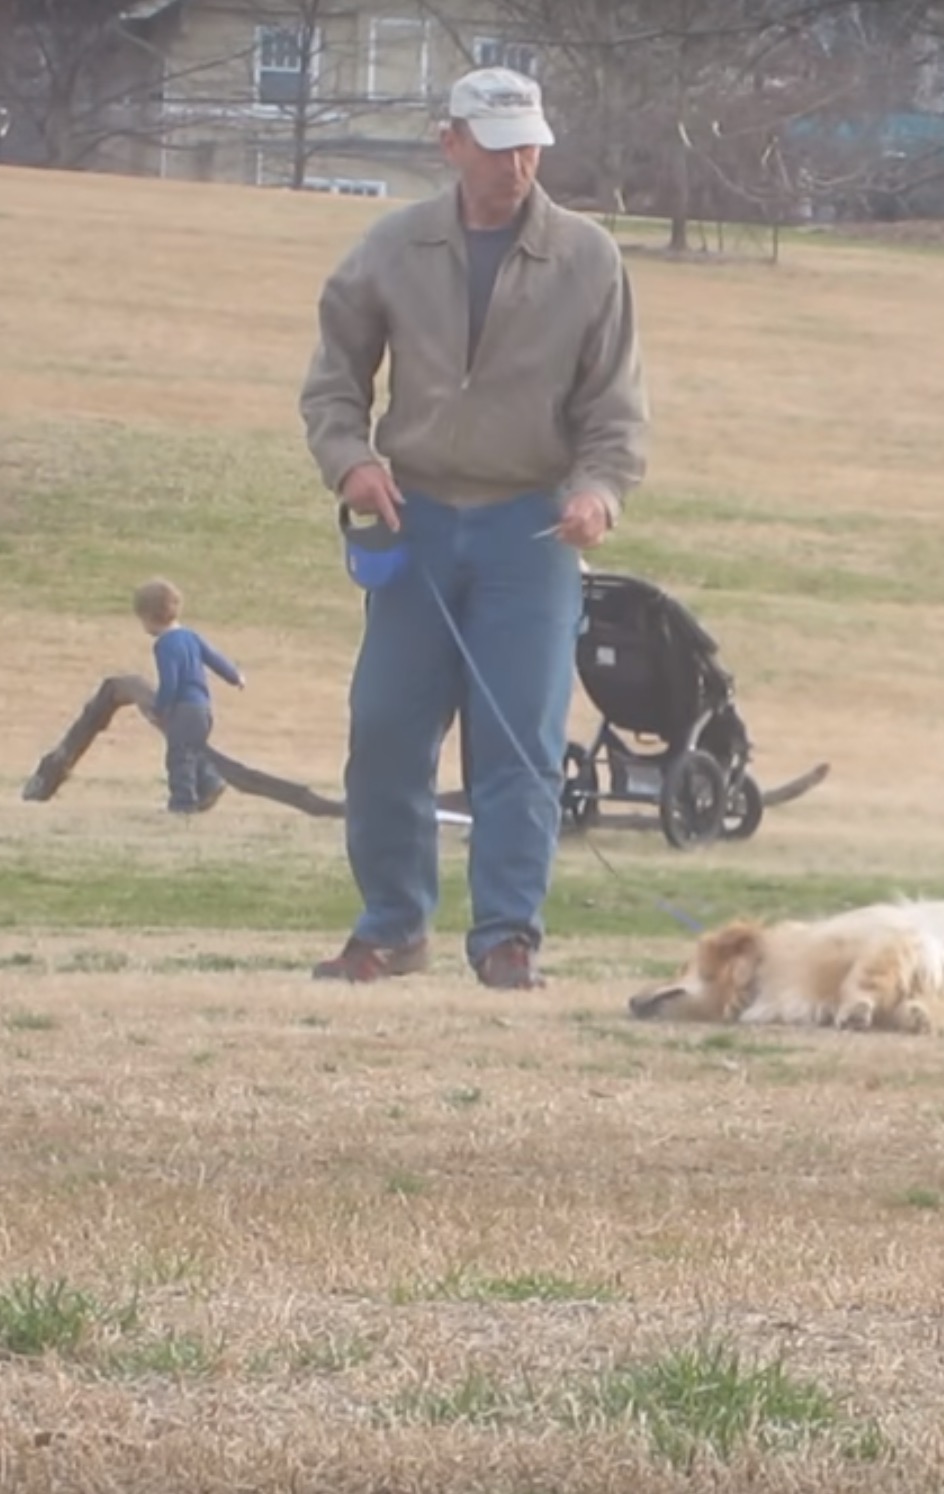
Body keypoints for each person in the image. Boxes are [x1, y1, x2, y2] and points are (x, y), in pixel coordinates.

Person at [298, 65, 650, 990]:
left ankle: (507, 938)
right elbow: (334, 380)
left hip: (528, 535)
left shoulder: (587, 258)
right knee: (384, 732)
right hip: (411, 525)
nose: (518, 164)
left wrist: (598, 494)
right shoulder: (390, 246)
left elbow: (614, 410)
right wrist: (352, 461)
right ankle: (391, 927)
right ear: (449, 142)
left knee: (520, 743)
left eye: (531, 144)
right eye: (498, 148)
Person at [135, 578, 243, 815]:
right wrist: (235, 677)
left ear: (149, 617)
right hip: (203, 707)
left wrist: (160, 707)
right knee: (193, 750)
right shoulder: (190, 636)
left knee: (179, 757)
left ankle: (183, 803)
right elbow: (215, 658)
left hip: (184, 708)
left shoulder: (164, 645)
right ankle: (211, 783)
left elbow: (170, 681)